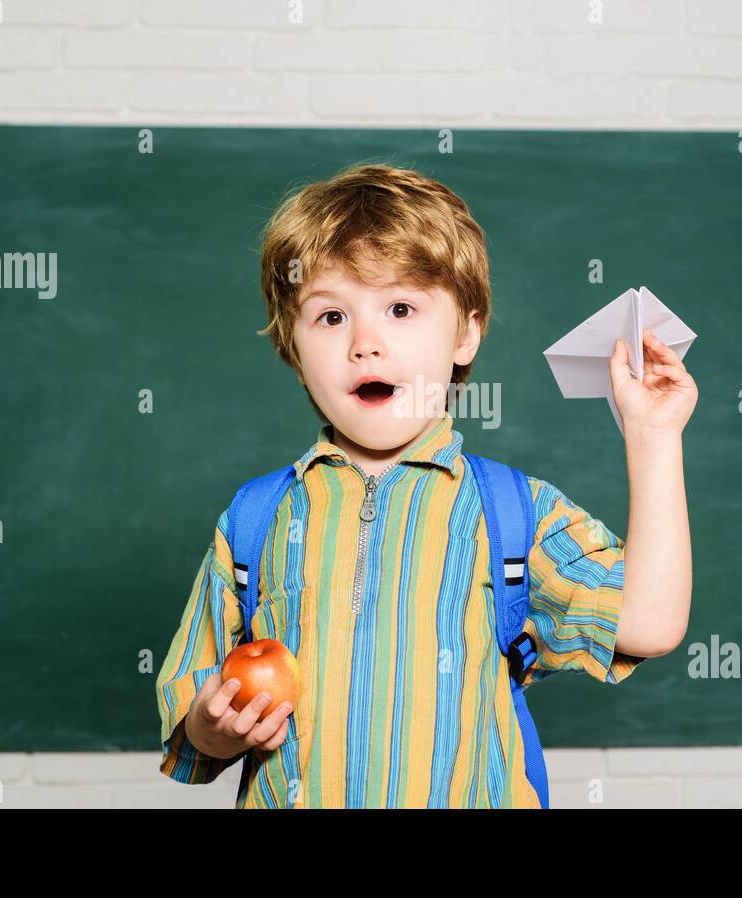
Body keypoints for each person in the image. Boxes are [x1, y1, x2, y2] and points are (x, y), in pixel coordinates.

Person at [155, 163, 697, 808]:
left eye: (401, 307)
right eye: (330, 317)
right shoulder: (254, 520)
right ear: (292, 348)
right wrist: (214, 730)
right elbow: (193, 720)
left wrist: (654, 436)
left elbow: (649, 625)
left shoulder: (512, 515)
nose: (365, 343)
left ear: (466, 333)